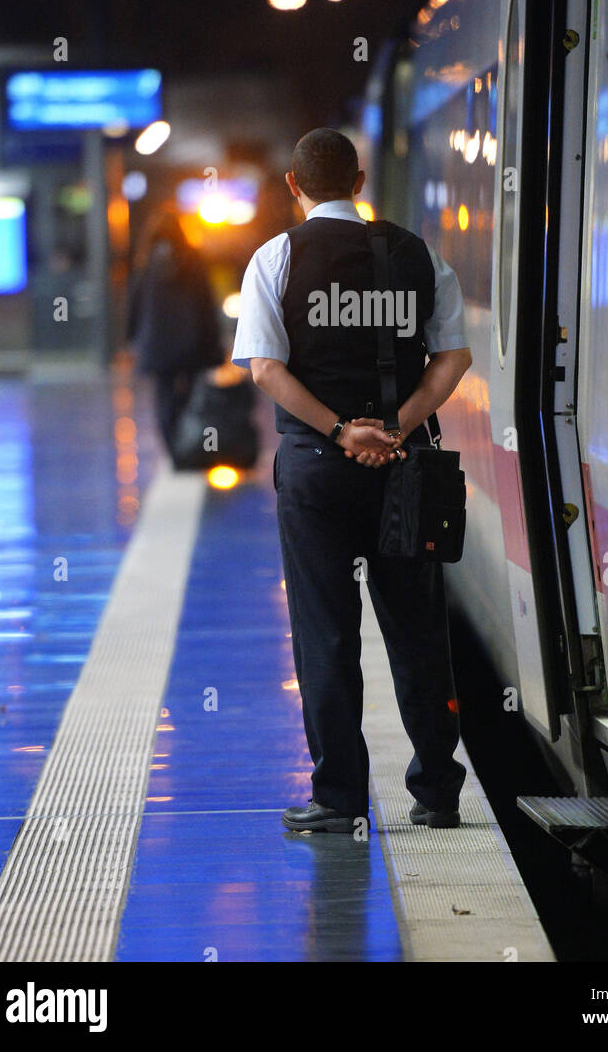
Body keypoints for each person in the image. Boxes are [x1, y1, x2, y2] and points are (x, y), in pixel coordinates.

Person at [232, 128, 472, 833]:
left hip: (314, 471)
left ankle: (338, 800)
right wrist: (393, 427)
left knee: (326, 634)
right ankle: (436, 792)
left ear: (292, 185)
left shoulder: (275, 258)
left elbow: (266, 371)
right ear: (360, 181)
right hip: (405, 470)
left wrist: (341, 432)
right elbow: (451, 359)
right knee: (418, 628)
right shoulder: (416, 255)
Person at [128, 206, 224, 454]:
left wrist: (131, 338)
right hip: (192, 344)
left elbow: (135, 304)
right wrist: (214, 343)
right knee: (193, 395)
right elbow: (206, 305)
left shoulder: (146, 262)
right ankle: (189, 442)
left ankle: (172, 446)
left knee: (163, 396)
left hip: (157, 345)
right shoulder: (194, 260)